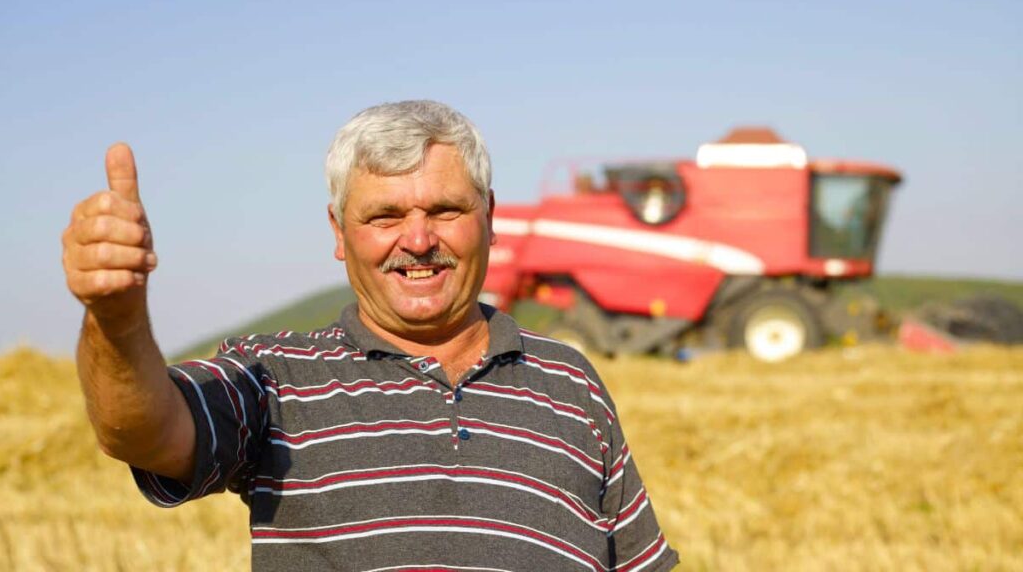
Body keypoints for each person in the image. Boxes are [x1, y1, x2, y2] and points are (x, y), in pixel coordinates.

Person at [62, 100, 679, 571]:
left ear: (489, 217)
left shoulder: (569, 382)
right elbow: (145, 432)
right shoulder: (275, 377)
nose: (417, 240)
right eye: (384, 215)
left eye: (444, 210)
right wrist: (115, 323)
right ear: (338, 231)